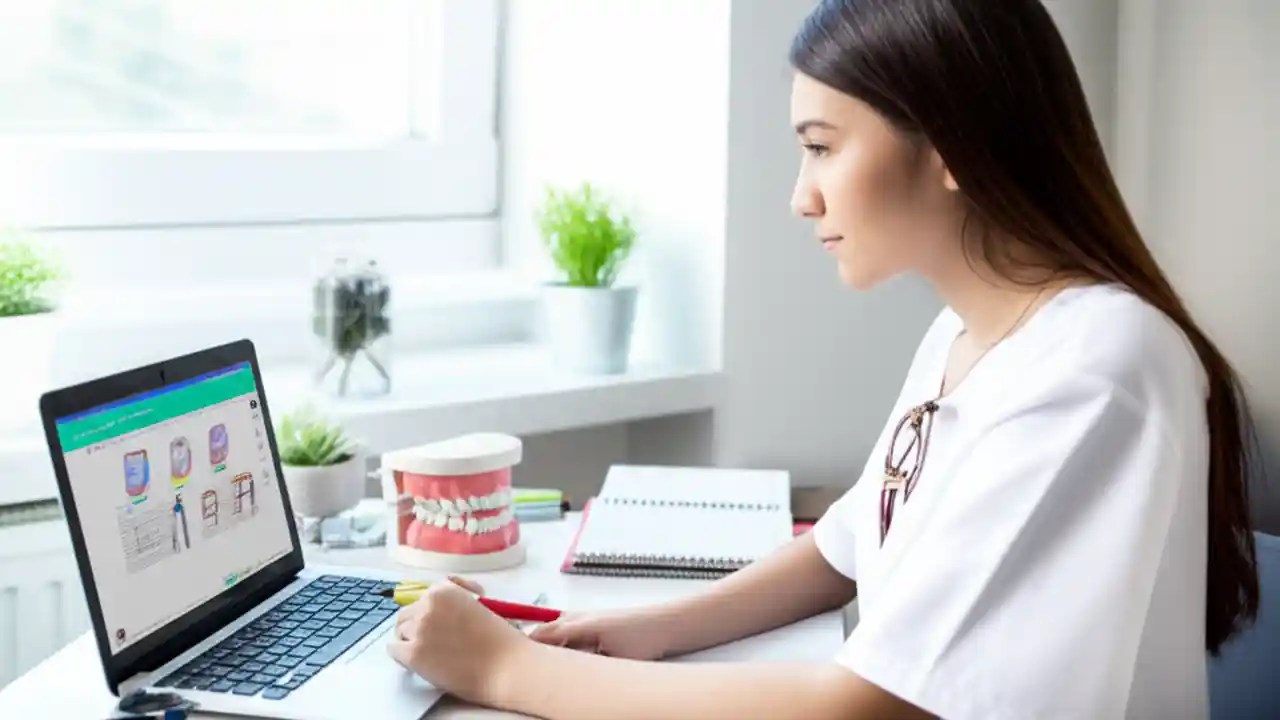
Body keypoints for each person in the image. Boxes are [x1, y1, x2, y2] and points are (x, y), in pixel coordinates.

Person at [386, 1, 1261, 718]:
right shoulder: (967, 336)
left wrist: (504, 672)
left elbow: (868, 706)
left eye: (821, 146)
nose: (802, 196)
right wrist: (652, 629)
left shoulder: (1100, 365)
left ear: (949, 145)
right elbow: (844, 549)